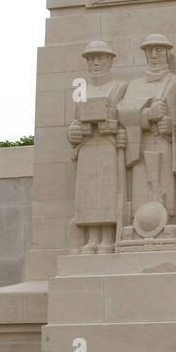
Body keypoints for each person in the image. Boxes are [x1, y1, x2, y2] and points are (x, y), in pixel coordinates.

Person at [114, 33, 176, 230]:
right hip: (139, 145)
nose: (153, 55)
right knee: (141, 190)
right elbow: (121, 114)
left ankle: (166, 225)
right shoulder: (134, 86)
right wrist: (146, 115)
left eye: (159, 50)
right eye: (149, 51)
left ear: (167, 53)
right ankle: (141, 226)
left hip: (165, 143)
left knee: (165, 187)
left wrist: (170, 126)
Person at [67, 41, 125, 253]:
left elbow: (125, 118)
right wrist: (72, 132)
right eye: (91, 58)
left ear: (110, 60)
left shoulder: (120, 87)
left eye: (100, 58)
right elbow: (74, 121)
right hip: (87, 148)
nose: (96, 62)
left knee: (106, 192)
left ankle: (107, 239)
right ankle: (91, 239)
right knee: (88, 194)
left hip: (107, 146)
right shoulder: (81, 90)